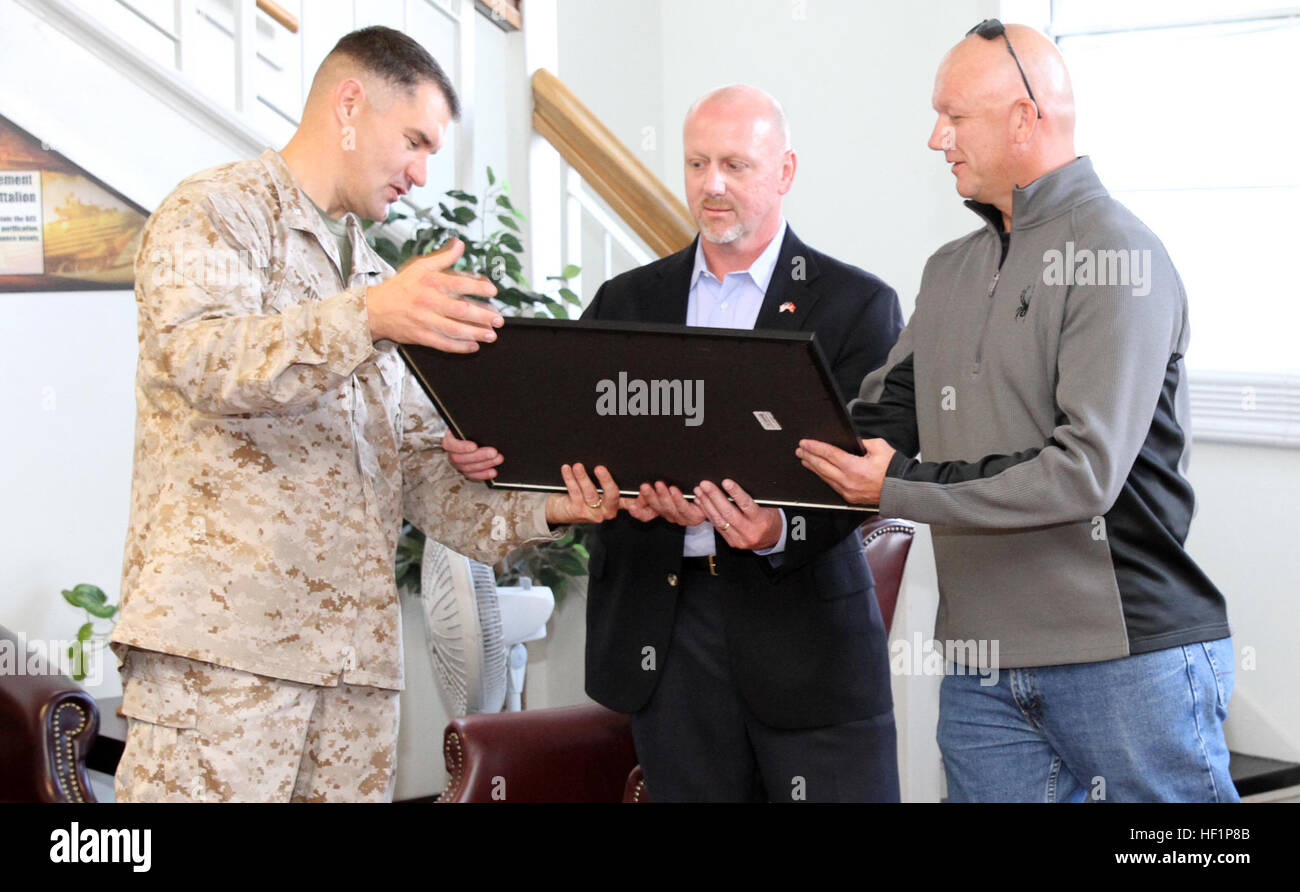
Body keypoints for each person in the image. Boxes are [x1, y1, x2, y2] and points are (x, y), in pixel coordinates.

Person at [111, 26, 634, 803]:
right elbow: (207, 363)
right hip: (224, 664)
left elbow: (425, 473)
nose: (422, 174)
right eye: (415, 141)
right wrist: (372, 318)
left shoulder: (378, 279)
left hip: (354, 680)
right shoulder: (215, 213)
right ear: (350, 105)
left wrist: (553, 506)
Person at [798, 21, 1237, 802]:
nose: (936, 138)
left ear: (1025, 119)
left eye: (954, 116)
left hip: (1122, 658)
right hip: (980, 668)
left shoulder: (1120, 257)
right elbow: (877, 421)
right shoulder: (951, 268)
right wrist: (748, 447)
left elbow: (1082, 475)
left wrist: (895, 486)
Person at [450, 85, 904, 802]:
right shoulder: (627, 302)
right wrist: (498, 453)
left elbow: (871, 472)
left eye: (735, 165)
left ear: (785, 172)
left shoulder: (856, 305)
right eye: (696, 164)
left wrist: (777, 526)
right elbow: (572, 430)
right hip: (664, 634)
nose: (711, 185)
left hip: (805, 646)